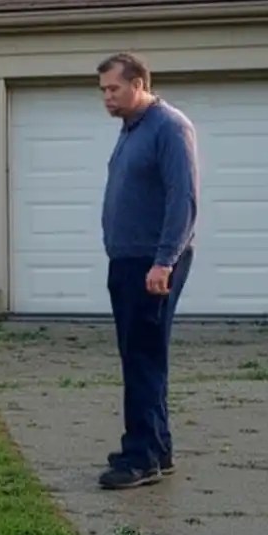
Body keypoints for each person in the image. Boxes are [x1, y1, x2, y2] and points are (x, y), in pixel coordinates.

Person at [95, 52, 199, 490]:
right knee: (139, 356)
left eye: (113, 89)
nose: (106, 97)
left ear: (138, 83)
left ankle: (141, 460)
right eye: (102, 90)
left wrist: (163, 262)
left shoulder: (170, 127)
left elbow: (183, 200)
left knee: (143, 358)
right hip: (128, 261)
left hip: (151, 263)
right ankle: (155, 446)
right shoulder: (131, 130)